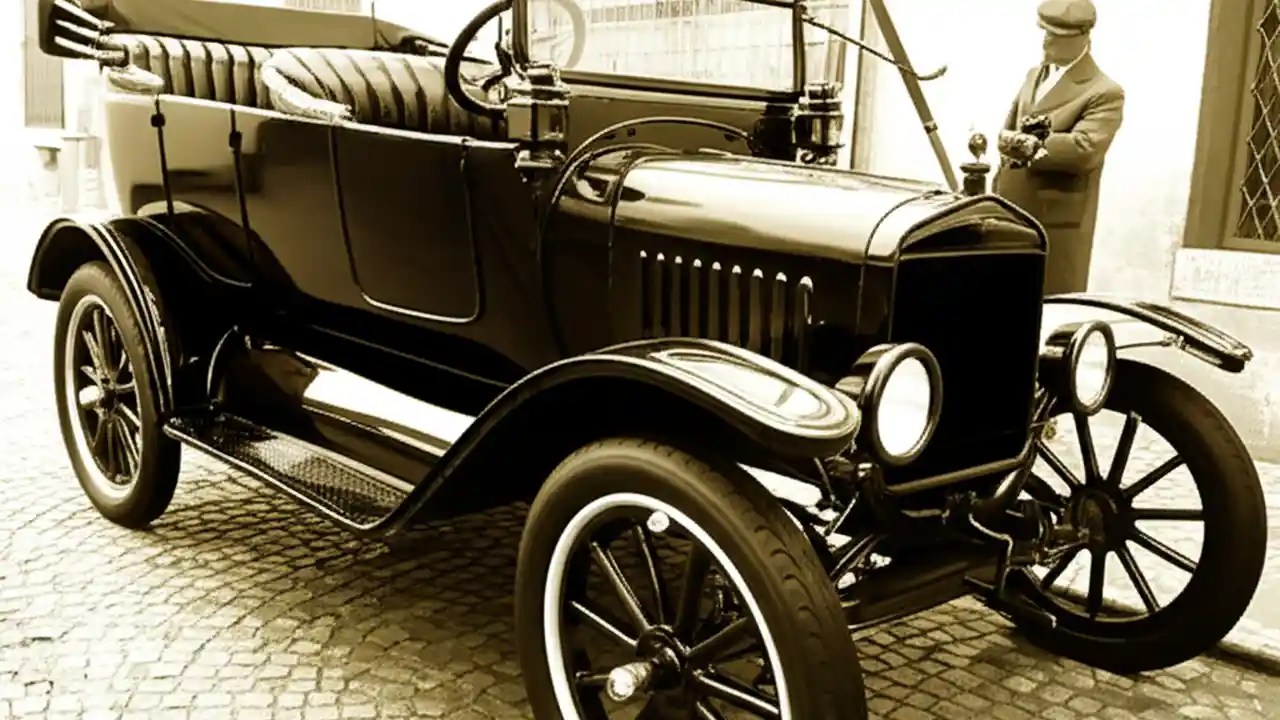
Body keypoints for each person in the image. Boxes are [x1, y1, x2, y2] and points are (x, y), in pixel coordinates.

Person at [992, 0, 1125, 296]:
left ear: (1082, 38)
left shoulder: (1103, 91)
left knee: (1047, 304)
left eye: (1056, 35)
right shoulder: (1034, 75)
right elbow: (1009, 129)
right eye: (1044, 32)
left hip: (1054, 222)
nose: (1046, 41)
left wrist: (1029, 146)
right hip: (1009, 210)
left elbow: (1085, 149)